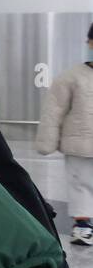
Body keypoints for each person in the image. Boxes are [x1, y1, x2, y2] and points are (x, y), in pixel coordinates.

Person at [37, 22, 93, 246]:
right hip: (79, 144)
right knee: (80, 184)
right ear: (89, 43)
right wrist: (46, 142)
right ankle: (82, 225)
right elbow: (54, 110)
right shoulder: (71, 77)